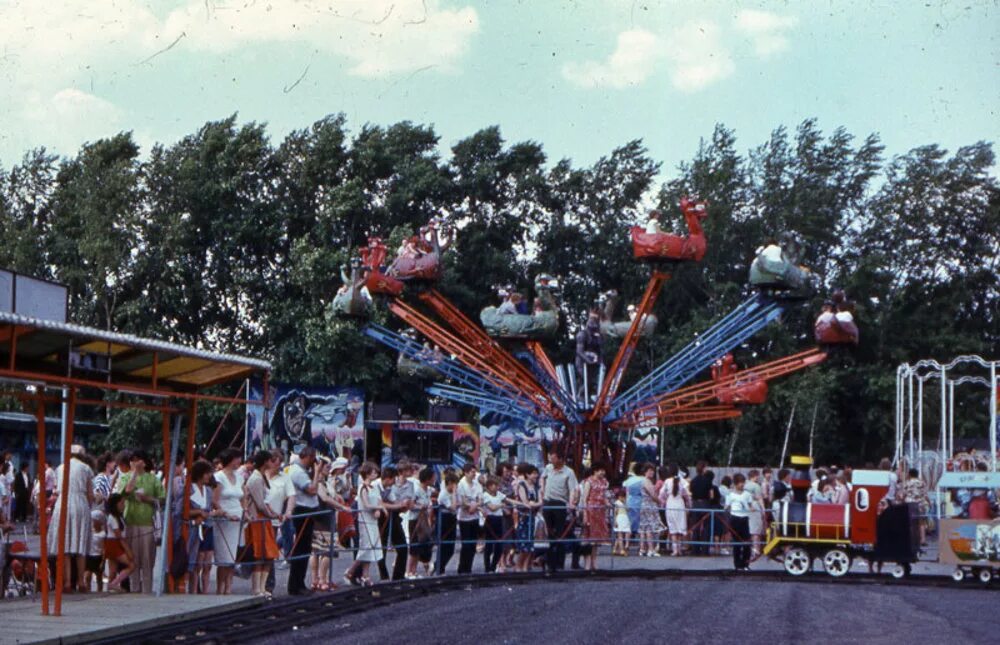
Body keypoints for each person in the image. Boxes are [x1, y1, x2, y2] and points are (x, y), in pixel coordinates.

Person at [113, 449, 162, 593]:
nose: (134, 462)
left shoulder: (153, 479)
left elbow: (162, 498)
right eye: (132, 460)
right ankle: (134, 590)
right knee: (133, 560)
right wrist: (134, 473)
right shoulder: (125, 477)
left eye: (137, 459)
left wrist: (150, 499)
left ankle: (147, 590)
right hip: (130, 523)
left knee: (147, 560)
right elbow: (126, 491)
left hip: (147, 524)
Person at [47, 445, 95, 593]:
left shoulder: (60, 468)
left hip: (62, 504)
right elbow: (90, 494)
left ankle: (67, 582)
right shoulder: (86, 468)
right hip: (80, 503)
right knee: (80, 545)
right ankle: (81, 581)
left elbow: (56, 489)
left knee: (65, 544)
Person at [244, 450, 280, 597]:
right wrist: (271, 514)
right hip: (258, 519)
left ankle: (263, 586)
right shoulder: (256, 479)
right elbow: (260, 504)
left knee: (268, 554)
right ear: (265, 462)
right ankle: (257, 587)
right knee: (259, 554)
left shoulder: (262, 477)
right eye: (271, 460)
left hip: (264, 519)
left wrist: (273, 514)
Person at [287, 446, 322, 595]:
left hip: (307, 511)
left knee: (305, 549)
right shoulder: (298, 472)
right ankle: (295, 585)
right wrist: (317, 473)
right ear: (308, 457)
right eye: (313, 459)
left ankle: (298, 583)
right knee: (301, 548)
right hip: (303, 511)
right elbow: (312, 490)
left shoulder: (300, 471)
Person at [212, 449, 245, 595]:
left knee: (232, 555)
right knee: (223, 557)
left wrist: (245, 512)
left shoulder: (239, 476)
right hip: (224, 518)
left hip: (237, 517)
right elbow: (214, 500)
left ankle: (228, 587)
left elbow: (243, 496)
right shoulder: (218, 477)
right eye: (237, 459)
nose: (239, 462)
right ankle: (220, 588)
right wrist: (225, 514)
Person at [344, 462, 383, 587]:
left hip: (373, 521)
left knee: (371, 547)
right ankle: (350, 571)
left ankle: (365, 575)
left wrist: (378, 508)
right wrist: (378, 508)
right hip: (365, 520)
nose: (375, 474)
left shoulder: (374, 487)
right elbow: (366, 505)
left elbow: (378, 500)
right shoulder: (363, 487)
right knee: (365, 547)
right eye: (373, 472)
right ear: (367, 474)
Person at [540, 449, 578, 572]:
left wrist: (571, 502)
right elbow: (542, 478)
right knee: (549, 532)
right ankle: (550, 560)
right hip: (547, 502)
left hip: (560, 503)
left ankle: (558, 563)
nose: (551, 460)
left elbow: (573, 488)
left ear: (561, 459)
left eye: (554, 457)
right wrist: (542, 490)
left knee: (560, 532)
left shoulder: (569, 472)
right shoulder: (548, 468)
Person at [264, 449, 295, 594]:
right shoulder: (260, 476)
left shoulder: (284, 478)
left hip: (275, 520)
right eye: (276, 463)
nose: (279, 466)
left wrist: (288, 511)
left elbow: (291, 496)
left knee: (270, 551)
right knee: (262, 551)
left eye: (280, 463)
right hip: (261, 518)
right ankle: (260, 583)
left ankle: (268, 585)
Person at [186, 459, 217, 594]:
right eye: (206, 473)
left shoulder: (209, 490)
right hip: (194, 528)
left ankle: (205, 590)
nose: (209, 476)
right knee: (196, 562)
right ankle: (192, 589)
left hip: (207, 527)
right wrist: (199, 512)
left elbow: (209, 509)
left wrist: (212, 513)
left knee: (207, 562)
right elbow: (184, 511)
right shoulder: (189, 489)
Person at [578, 462, 610, 570]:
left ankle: (594, 560)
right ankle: (587, 561)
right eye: (600, 470)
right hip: (591, 510)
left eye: (603, 470)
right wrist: (585, 514)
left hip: (600, 511)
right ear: (595, 471)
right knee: (588, 538)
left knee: (596, 539)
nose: (602, 472)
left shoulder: (604, 482)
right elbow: (585, 498)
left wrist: (608, 503)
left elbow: (604, 496)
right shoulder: (589, 481)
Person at [405, 467, 436, 578]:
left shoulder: (428, 490)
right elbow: (410, 505)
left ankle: (414, 571)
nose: (434, 479)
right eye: (433, 477)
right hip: (415, 520)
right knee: (414, 546)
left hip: (424, 520)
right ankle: (408, 571)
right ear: (427, 479)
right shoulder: (417, 490)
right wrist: (420, 507)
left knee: (420, 546)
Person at [513, 464, 541, 571]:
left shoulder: (536, 487)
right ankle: (518, 565)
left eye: (536, 473)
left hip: (532, 517)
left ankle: (525, 565)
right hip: (523, 517)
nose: (536, 476)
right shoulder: (521, 485)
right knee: (524, 543)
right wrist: (534, 504)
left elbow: (540, 501)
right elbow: (525, 502)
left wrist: (534, 504)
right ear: (527, 474)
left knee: (530, 543)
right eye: (533, 473)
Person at [456, 463, 483, 574]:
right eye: (472, 472)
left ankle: (469, 567)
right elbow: (462, 501)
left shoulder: (477, 484)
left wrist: (475, 506)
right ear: (466, 472)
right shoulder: (461, 484)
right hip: (464, 518)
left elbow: (480, 499)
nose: (473, 474)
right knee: (466, 544)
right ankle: (462, 568)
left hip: (475, 516)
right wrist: (469, 506)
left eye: (474, 472)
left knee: (472, 545)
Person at [659, 464, 690, 557]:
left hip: (670, 503)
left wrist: (663, 502)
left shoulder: (667, 481)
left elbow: (661, 494)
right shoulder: (682, 481)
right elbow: (686, 494)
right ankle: (679, 549)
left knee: (672, 527)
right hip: (680, 504)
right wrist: (688, 504)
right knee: (680, 527)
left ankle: (675, 549)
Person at [725, 474, 754, 571]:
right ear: (736, 483)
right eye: (740, 483)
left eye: (743, 483)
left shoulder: (747, 494)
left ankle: (745, 563)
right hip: (735, 518)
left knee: (746, 542)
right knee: (737, 543)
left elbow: (750, 505)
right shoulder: (730, 495)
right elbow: (727, 506)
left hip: (744, 518)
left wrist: (752, 509)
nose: (742, 485)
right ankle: (737, 565)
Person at [637, 463, 664, 557]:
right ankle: (651, 549)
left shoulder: (644, 481)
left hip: (645, 505)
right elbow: (653, 494)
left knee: (644, 528)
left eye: (652, 471)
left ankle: (643, 549)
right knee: (649, 528)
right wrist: (660, 501)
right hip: (649, 505)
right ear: (645, 472)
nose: (652, 472)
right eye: (649, 471)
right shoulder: (646, 481)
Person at [435, 472, 459, 574]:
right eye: (454, 484)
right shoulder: (443, 494)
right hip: (444, 519)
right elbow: (453, 507)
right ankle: (439, 568)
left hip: (452, 518)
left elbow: (459, 503)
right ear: (449, 483)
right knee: (444, 546)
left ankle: (438, 566)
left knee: (451, 548)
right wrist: (453, 493)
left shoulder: (453, 493)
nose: (456, 486)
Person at [902, 468, 930, 545]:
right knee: (921, 522)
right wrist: (929, 503)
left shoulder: (907, 483)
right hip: (921, 504)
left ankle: (912, 539)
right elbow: (925, 495)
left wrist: (902, 501)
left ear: (910, 474)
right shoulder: (922, 483)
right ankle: (923, 539)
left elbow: (903, 495)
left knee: (911, 522)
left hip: (910, 504)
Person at [744, 469, 765, 556]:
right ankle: (756, 548)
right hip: (754, 507)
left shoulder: (744, 485)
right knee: (756, 529)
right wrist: (763, 509)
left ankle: (749, 547)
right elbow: (759, 498)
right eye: (757, 476)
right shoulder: (756, 486)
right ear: (754, 476)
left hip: (745, 507)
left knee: (749, 528)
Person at [612, 490, 630, 556]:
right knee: (620, 535)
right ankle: (622, 549)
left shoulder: (624, 503)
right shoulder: (617, 503)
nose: (623, 498)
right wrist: (615, 521)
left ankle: (615, 548)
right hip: (619, 518)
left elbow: (628, 510)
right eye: (621, 497)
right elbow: (615, 513)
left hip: (625, 518)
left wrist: (625, 503)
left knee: (625, 532)